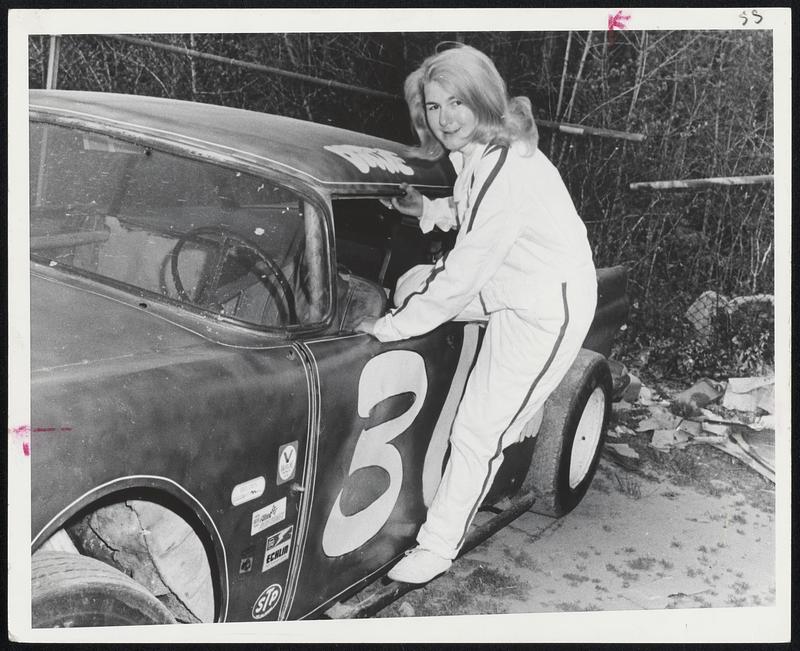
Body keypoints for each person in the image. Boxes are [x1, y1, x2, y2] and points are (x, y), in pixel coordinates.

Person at [356, 44, 598, 584]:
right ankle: (507, 414)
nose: (446, 120)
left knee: (477, 430)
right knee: (416, 286)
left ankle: (438, 546)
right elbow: (472, 208)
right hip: (510, 280)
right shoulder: (484, 149)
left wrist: (390, 328)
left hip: (543, 305)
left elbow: (463, 273)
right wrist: (429, 211)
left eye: (457, 103)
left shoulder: (505, 166)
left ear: (482, 98)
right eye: (434, 107)